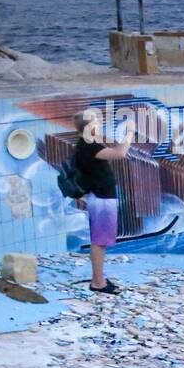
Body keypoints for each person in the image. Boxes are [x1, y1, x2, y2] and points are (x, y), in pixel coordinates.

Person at [72, 109, 128, 294]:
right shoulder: (89, 145)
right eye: (96, 121)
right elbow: (120, 154)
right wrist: (129, 132)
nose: (100, 124)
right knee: (99, 242)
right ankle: (98, 283)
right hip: (101, 197)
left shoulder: (88, 142)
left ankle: (99, 278)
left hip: (100, 196)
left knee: (100, 241)